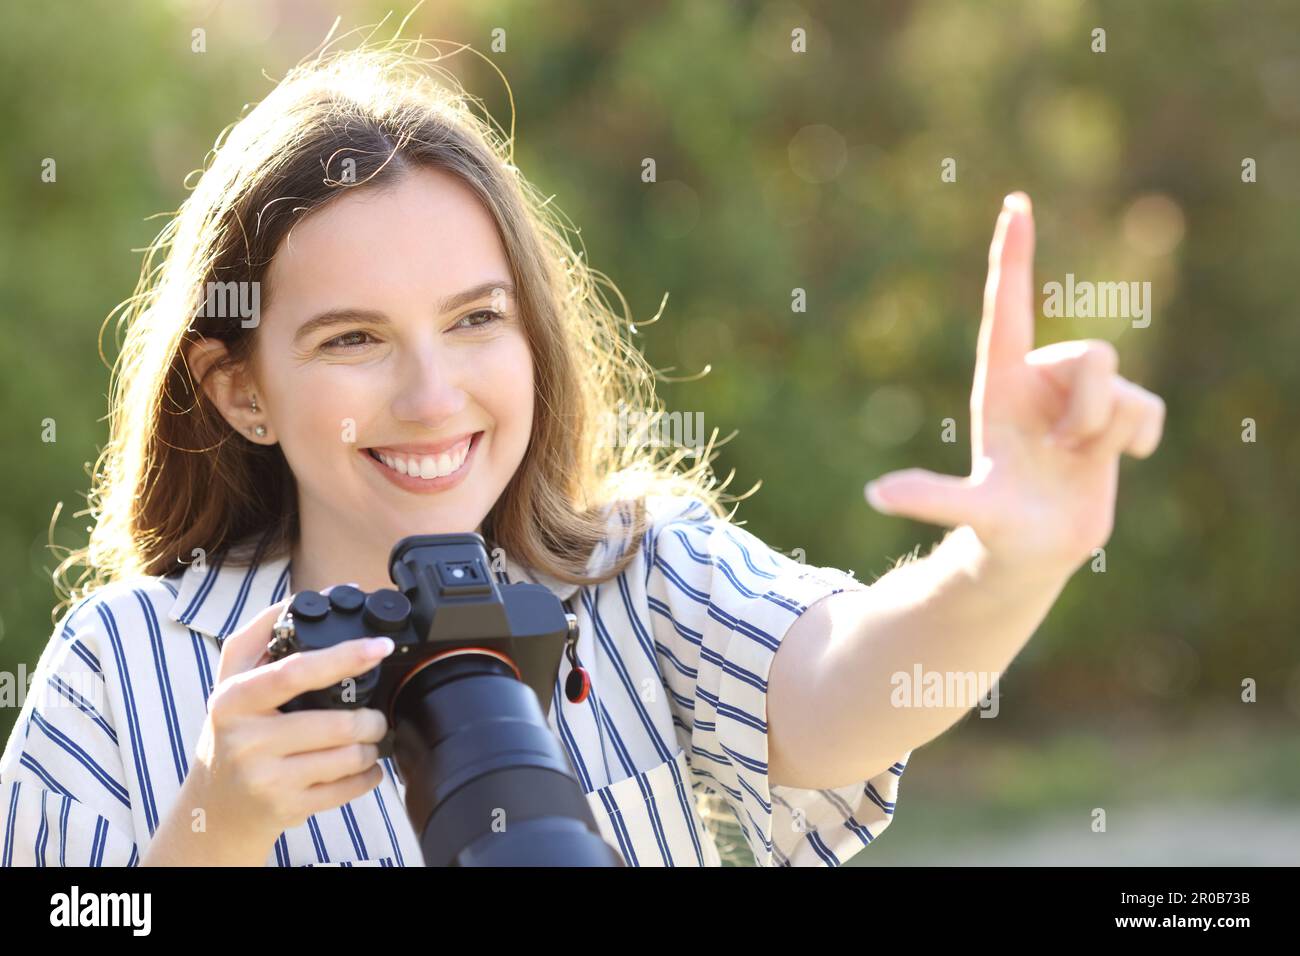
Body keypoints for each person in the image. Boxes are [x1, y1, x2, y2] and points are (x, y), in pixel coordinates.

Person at [0, 40, 1163, 868]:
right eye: (353, 338)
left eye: (473, 319)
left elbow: (845, 687)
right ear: (240, 388)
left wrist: (1007, 562)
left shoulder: (634, 572)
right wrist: (213, 830)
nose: (431, 393)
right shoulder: (122, 667)